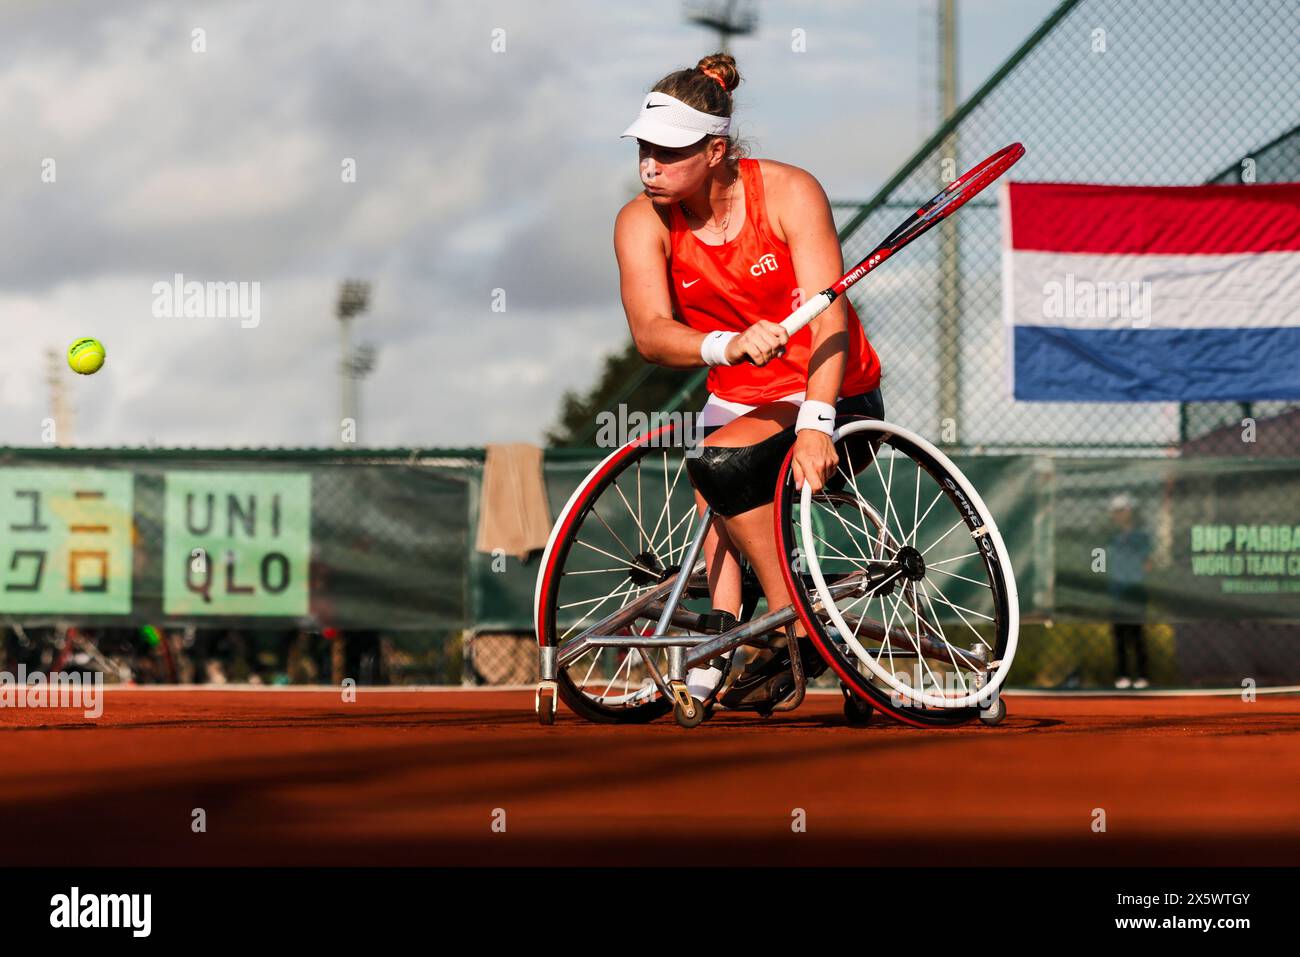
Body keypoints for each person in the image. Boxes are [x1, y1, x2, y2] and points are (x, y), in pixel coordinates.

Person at [613, 53, 884, 708]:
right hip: (737, 399)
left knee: (724, 462)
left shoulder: (791, 193)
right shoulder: (639, 222)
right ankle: (728, 638)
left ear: (715, 150)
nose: (650, 165)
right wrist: (724, 344)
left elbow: (830, 316)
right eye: (644, 148)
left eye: (669, 152)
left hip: (835, 394)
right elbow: (651, 333)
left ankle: (796, 630)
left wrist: (818, 422)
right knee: (717, 481)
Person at [1107, 493, 1152, 689]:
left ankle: (1142, 675)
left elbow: (1147, 563)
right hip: (1116, 591)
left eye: (1121, 511)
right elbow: (1101, 564)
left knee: (1137, 633)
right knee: (1118, 635)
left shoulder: (1142, 537)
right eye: (1115, 512)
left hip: (1135, 591)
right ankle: (1122, 675)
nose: (1118, 515)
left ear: (1129, 512)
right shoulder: (1109, 537)